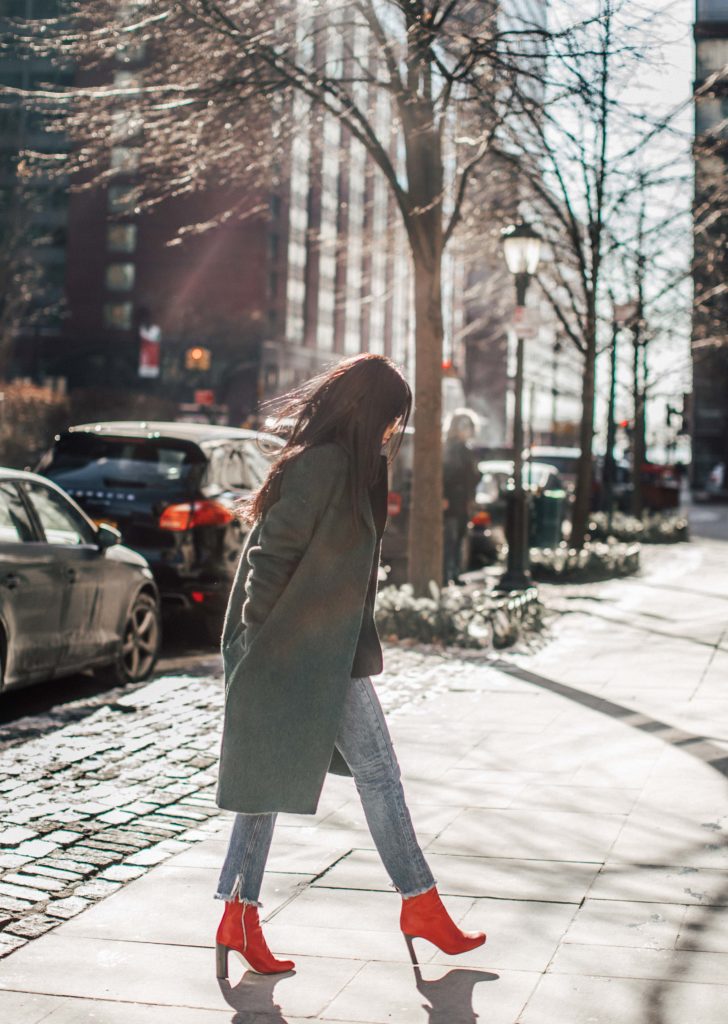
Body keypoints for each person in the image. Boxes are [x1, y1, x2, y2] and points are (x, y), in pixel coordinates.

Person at [214, 354, 486, 978]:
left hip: (324, 650)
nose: (394, 430)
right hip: (302, 655)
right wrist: (266, 650)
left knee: (268, 776)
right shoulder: (326, 465)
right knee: (379, 772)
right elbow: (270, 560)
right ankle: (421, 902)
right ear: (368, 414)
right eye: (391, 418)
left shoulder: (350, 465)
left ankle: (238, 911)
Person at [442, 409, 481, 583]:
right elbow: (451, 474)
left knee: (456, 538)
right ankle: (448, 574)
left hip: (460, 501)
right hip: (453, 501)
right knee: (451, 539)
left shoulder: (461, 448)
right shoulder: (455, 449)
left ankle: (453, 573)